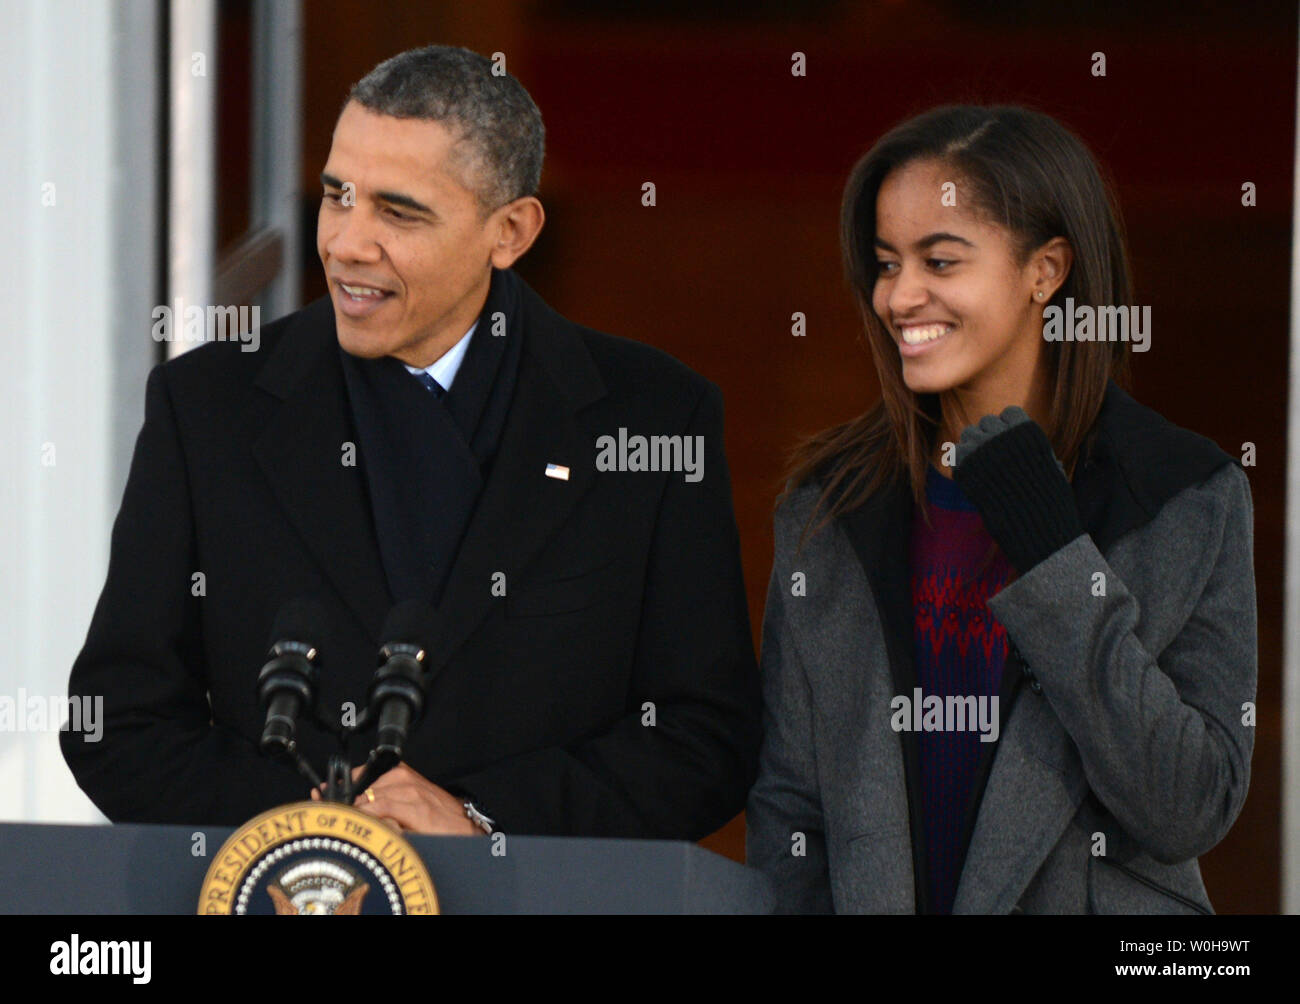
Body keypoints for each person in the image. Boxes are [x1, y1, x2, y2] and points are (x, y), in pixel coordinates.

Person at [62, 46, 759, 838]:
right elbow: (115, 722)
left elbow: (709, 737)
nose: (347, 244)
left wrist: (480, 819)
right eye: (336, 197)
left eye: (398, 212)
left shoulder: (655, 416)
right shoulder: (207, 408)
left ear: (511, 231)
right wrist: (305, 831)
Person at [745, 105, 1256, 913]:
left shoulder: (1187, 495)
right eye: (885, 264)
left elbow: (1188, 805)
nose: (899, 296)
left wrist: (1052, 549)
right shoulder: (832, 503)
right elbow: (790, 809)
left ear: (1045, 270)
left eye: (939, 262)